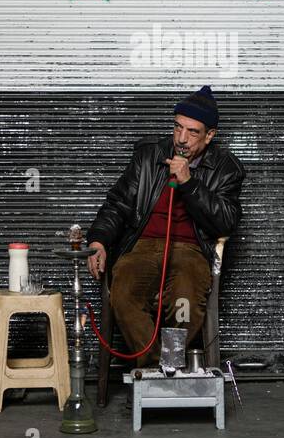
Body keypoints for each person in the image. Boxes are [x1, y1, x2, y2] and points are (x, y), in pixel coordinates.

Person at [87, 86, 245, 367]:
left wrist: (189, 183)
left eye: (193, 132)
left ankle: (165, 368)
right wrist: (98, 240)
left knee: (184, 301)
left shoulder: (226, 168)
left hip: (191, 251)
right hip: (143, 247)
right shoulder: (148, 156)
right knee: (123, 294)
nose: (181, 139)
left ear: (209, 136)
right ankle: (158, 371)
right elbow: (118, 204)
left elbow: (226, 221)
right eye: (177, 128)